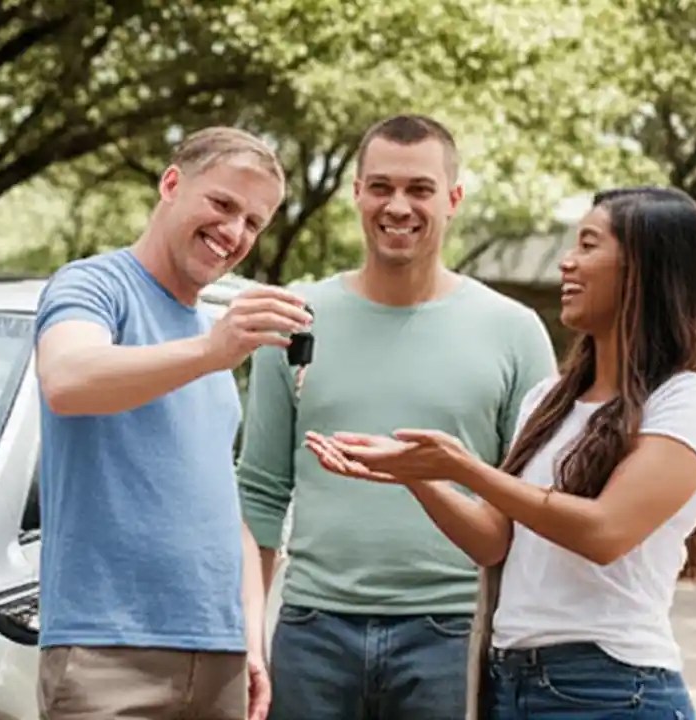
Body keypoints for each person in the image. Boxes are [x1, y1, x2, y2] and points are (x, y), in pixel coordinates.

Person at [307, 186, 696, 718]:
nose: (568, 262)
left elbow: (604, 531)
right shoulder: (549, 399)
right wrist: (419, 476)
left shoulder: (686, 399)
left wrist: (465, 467)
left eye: (588, 246)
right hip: (511, 684)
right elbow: (492, 541)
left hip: (611, 689)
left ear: (645, 269)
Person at [236, 114, 558, 720]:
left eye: (420, 189)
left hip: (450, 632)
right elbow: (260, 492)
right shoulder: (296, 318)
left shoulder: (514, 331)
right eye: (380, 187)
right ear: (356, 192)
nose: (398, 206)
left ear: (453, 199)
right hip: (312, 631)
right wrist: (250, 636)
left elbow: (528, 504)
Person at [33, 126, 311, 720]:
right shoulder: (96, 284)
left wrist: (250, 635)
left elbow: (222, 508)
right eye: (223, 204)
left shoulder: (207, 336)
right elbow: (67, 379)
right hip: (107, 650)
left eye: (254, 223)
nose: (235, 232)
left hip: (218, 652)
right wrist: (214, 351)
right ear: (171, 183)